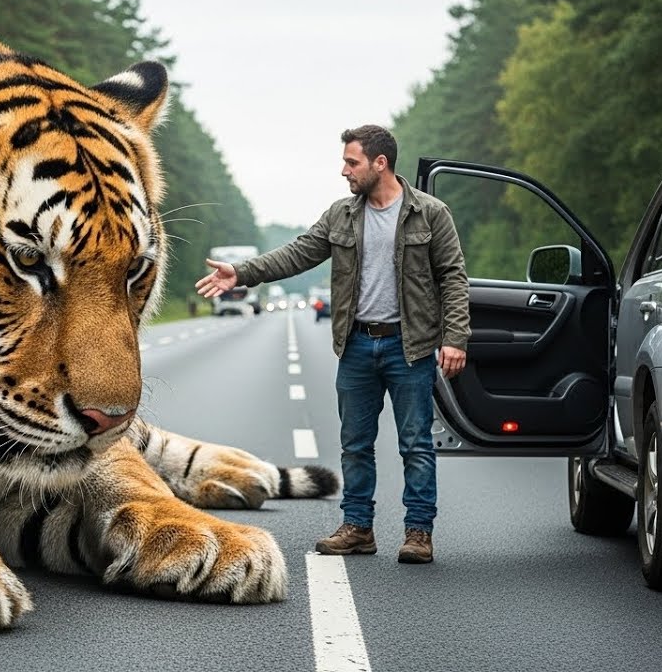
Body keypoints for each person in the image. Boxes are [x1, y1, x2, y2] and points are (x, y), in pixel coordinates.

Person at [195, 125, 470, 564]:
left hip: (409, 347)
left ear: (380, 163)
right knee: (355, 445)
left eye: (351, 162)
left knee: (415, 444)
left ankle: (419, 533)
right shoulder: (341, 215)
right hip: (357, 345)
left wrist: (455, 338)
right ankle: (357, 527)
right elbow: (296, 253)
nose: (344, 171)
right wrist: (241, 273)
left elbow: (453, 277)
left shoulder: (430, 213)